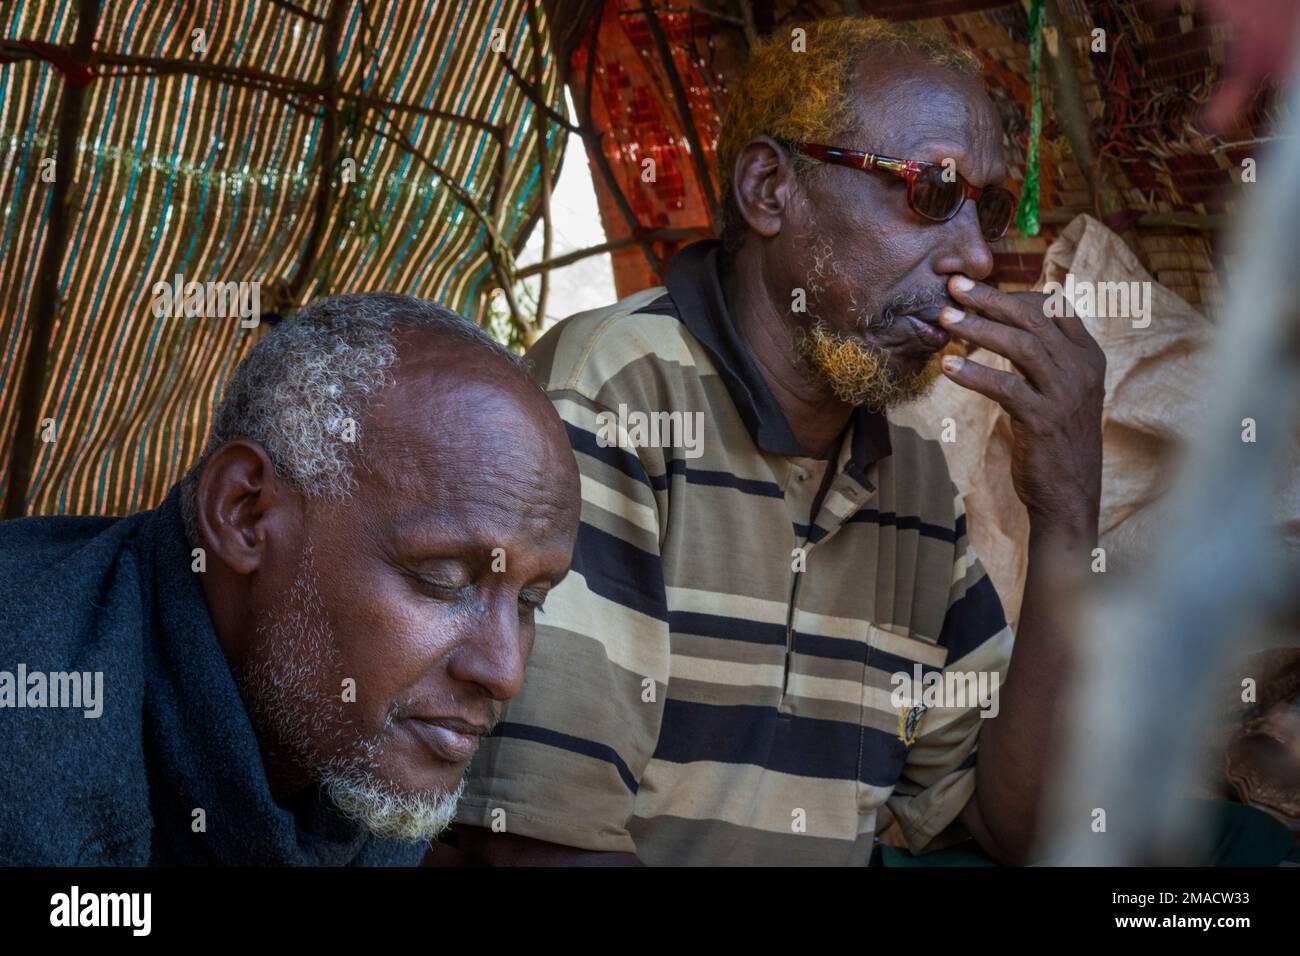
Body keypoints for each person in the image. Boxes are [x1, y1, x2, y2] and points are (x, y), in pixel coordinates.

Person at [451, 17, 1105, 865]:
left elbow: (1017, 828)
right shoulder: (616, 393)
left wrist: (1066, 515)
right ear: (769, 189)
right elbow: (535, 845)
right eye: (931, 192)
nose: (975, 257)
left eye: (987, 206)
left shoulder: (911, 476)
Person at [0, 293, 581, 865]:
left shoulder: (350, 748)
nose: (504, 671)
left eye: (532, 601)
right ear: (245, 514)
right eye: (443, 579)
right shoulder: (30, 732)